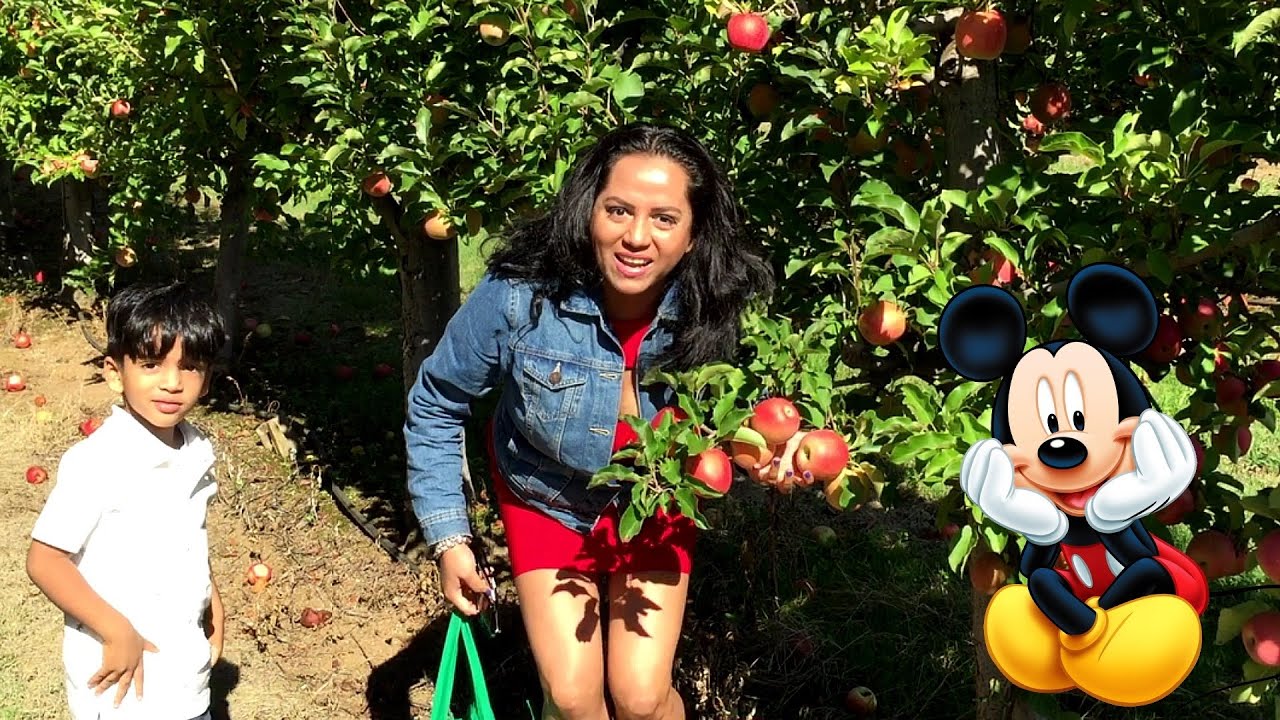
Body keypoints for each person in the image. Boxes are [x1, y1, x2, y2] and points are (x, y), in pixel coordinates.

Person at [405, 122, 806, 720]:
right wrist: (450, 537)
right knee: (573, 698)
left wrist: (769, 455)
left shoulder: (716, 309)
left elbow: (738, 426)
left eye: (665, 219)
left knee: (641, 699)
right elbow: (437, 400)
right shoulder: (521, 296)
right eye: (618, 210)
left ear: (694, 235)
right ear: (587, 210)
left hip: (656, 501)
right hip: (547, 499)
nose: (636, 237)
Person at [26, 281, 227, 720]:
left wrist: (210, 597)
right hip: (120, 679)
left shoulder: (195, 449)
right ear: (115, 373)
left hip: (181, 674)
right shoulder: (98, 460)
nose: (172, 383)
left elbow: (187, 533)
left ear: (207, 379)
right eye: (152, 364)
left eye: (189, 367)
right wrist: (117, 631)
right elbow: (45, 560)